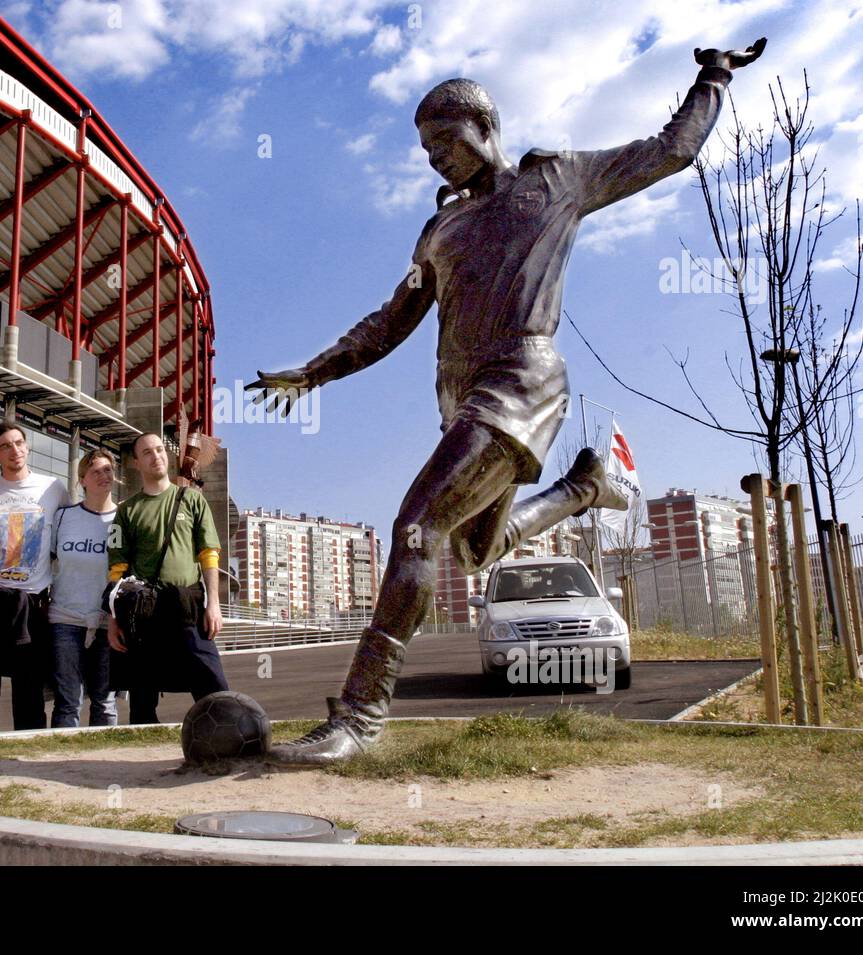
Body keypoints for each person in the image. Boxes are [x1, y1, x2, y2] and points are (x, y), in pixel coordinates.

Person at [249, 38, 767, 764]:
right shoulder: (439, 229)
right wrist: (313, 372)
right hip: (460, 398)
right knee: (473, 545)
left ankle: (360, 715)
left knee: (415, 530)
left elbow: (668, 151)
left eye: (446, 140)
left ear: (485, 127)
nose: (436, 157)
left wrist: (713, 77)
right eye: (426, 148)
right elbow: (389, 323)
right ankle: (581, 489)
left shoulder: (555, 182)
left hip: (520, 380)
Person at [107, 432, 228, 724]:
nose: (155, 456)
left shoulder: (192, 499)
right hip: (144, 611)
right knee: (142, 697)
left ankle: (226, 733)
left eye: (160, 449)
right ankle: (140, 760)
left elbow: (209, 554)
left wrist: (214, 603)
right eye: (146, 452)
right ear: (137, 463)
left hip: (188, 604)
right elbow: (116, 570)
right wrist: (113, 620)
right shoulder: (125, 512)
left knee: (213, 685)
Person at [0, 421, 69, 733]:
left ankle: (28, 748)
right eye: (6, 446)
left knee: (29, 688)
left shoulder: (54, 489)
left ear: (27, 446)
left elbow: (63, 541)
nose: (15, 451)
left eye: (19, 443)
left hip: (32, 602)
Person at [48, 449, 119, 728]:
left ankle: (103, 762)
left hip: (107, 622)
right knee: (68, 701)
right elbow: (47, 561)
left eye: (108, 470)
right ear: (82, 481)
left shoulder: (123, 519)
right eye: (95, 471)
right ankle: (63, 763)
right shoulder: (64, 518)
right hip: (65, 620)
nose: (103, 475)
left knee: (105, 701)